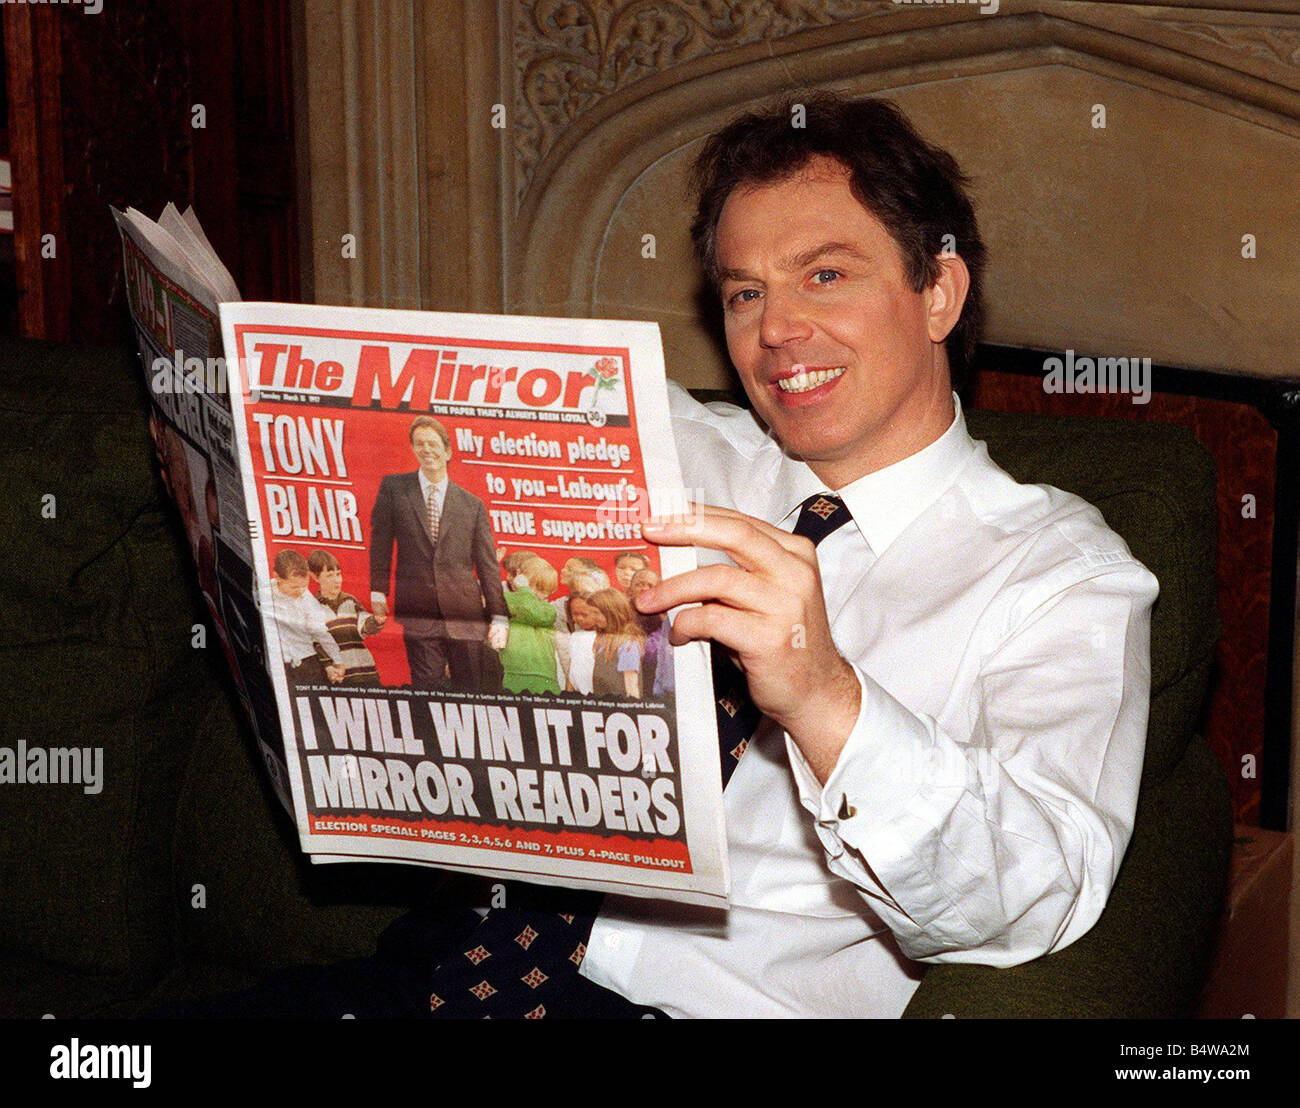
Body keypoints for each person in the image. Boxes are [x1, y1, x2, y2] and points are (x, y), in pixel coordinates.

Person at [368, 416, 509, 690]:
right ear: (413, 448)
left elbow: (488, 565)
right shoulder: (394, 489)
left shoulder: (472, 505)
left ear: (447, 451)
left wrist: (499, 616)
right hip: (418, 612)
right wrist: (378, 589)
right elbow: (381, 540)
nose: (426, 449)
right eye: (419, 444)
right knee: (427, 689)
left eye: (433, 443)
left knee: (470, 692)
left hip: (465, 614)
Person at [268, 550, 346, 690]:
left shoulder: (306, 598)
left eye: (304, 586)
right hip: (277, 662)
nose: (300, 592)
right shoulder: (265, 593)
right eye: (294, 587)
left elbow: (321, 632)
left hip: (307, 662)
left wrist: (337, 661)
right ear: (277, 577)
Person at [308, 548, 385, 687]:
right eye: (330, 575)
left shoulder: (350, 600)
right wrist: (330, 667)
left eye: (338, 574)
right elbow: (316, 644)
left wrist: (376, 620)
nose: (337, 580)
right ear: (315, 577)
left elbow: (364, 625)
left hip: (366, 672)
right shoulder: (313, 607)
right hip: (340, 678)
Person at [500, 555, 562, 695]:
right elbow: (525, 608)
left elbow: (532, 611)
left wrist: (524, 590)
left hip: (545, 677)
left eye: (545, 591)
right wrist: (524, 590)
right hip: (513, 674)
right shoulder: (506, 599)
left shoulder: (548, 610)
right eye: (538, 588)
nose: (541, 595)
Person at [585, 587, 646, 699]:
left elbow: (631, 686)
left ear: (612, 612)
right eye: (591, 613)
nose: (593, 617)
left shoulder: (628, 645)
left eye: (596, 613)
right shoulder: (603, 638)